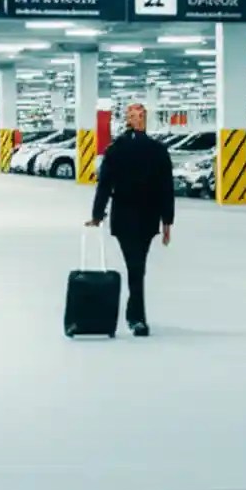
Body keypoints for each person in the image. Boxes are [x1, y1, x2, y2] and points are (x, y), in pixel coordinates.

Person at [86, 103, 174, 337]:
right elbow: (104, 185)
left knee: (137, 266)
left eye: (143, 115)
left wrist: (168, 222)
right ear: (128, 119)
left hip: (142, 216)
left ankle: (135, 315)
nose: (140, 118)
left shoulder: (151, 150)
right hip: (131, 215)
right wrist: (96, 215)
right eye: (135, 115)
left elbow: (167, 188)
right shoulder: (122, 150)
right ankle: (137, 317)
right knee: (136, 266)